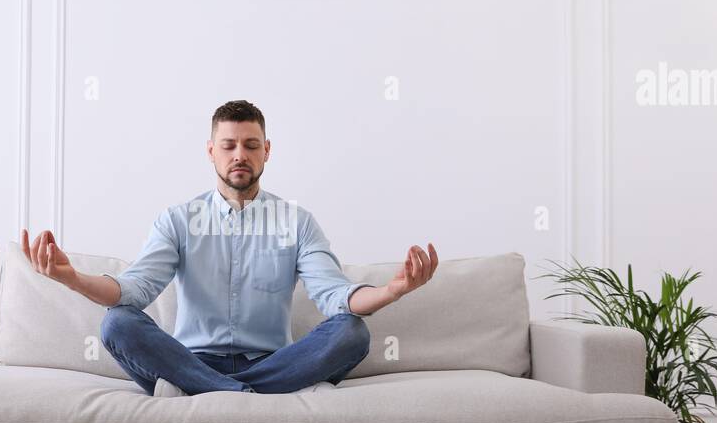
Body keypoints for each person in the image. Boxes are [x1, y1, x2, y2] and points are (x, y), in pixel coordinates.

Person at [22, 100, 438, 396]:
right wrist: (71, 277)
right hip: (189, 362)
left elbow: (335, 297)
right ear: (211, 152)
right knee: (118, 324)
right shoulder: (178, 220)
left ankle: (216, 393)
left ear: (266, 152)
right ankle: (241, 393)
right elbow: (134, 290)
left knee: (351, 332)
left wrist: (393, 291)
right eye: (229, 145)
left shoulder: (297, 222)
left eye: (251, 145)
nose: (240, 155)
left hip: (271, 362)